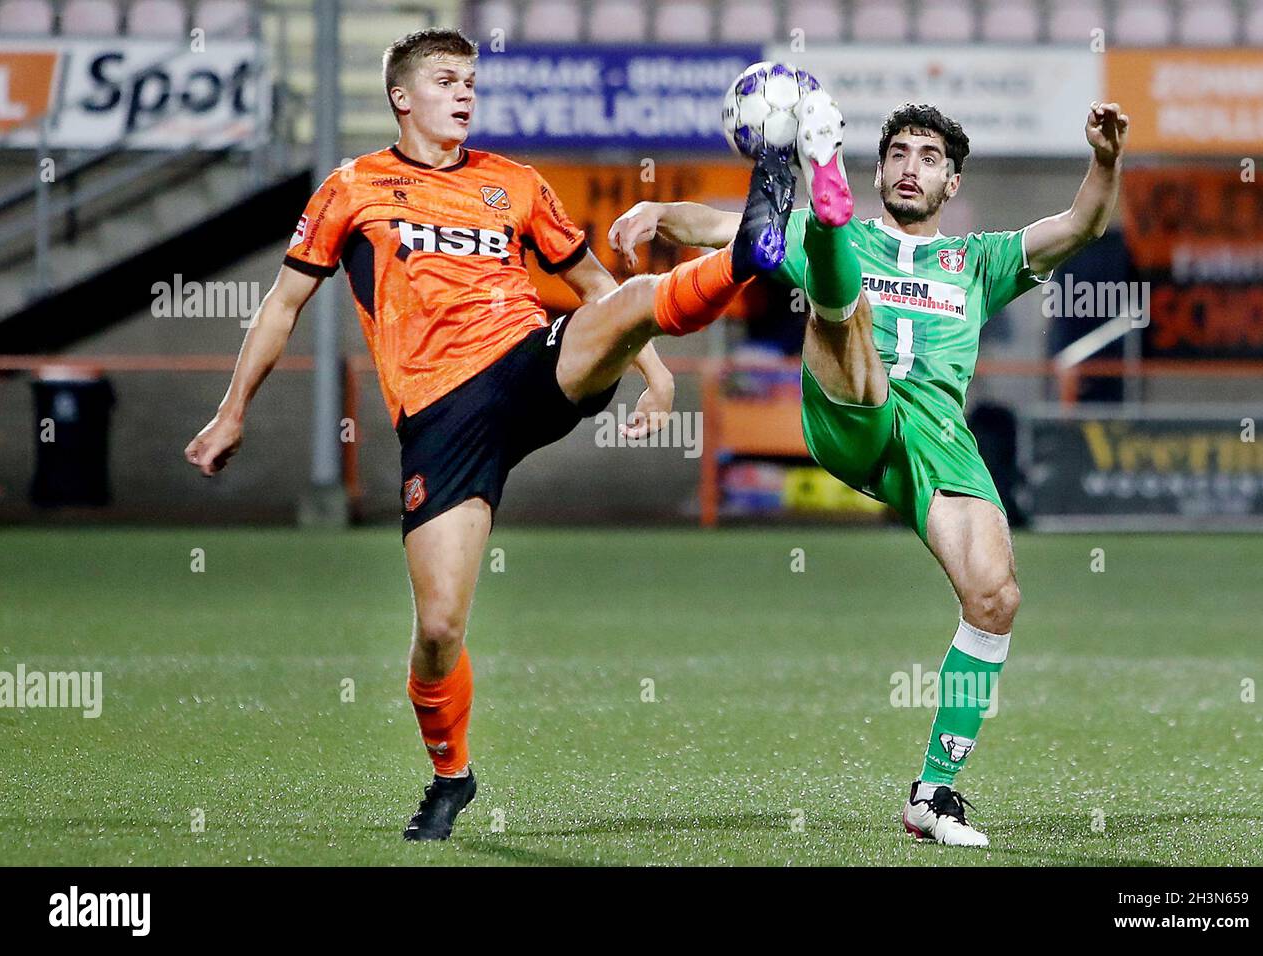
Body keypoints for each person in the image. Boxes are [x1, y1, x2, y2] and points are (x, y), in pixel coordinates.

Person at [184, 29, 798, 841]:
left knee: (627, 298)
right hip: (439, 419)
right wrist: (233, 410)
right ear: (403, 97)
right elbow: (283, 305)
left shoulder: (515, 184)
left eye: (471, 80)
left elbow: (590, 284)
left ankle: (748, 254)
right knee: (438, 629)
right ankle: (451, 775)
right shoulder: (352, 188)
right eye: (447, 80)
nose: (466, 93)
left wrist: (654, 372)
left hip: (525, 361)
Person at [610, 94, 1129, 846]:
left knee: (995, 597)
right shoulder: (857, 235)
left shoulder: (980, 262)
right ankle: (823, 206)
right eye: (896, 154)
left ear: (952, 185)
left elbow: (1082, 225)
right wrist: (661, 211)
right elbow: (728, 227)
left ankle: (934, 793)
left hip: (936, 443)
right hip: (848, 411)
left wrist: (1106, 159)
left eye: (928, 158)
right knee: (842, 308)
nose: (910, 167)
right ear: (877, 172)